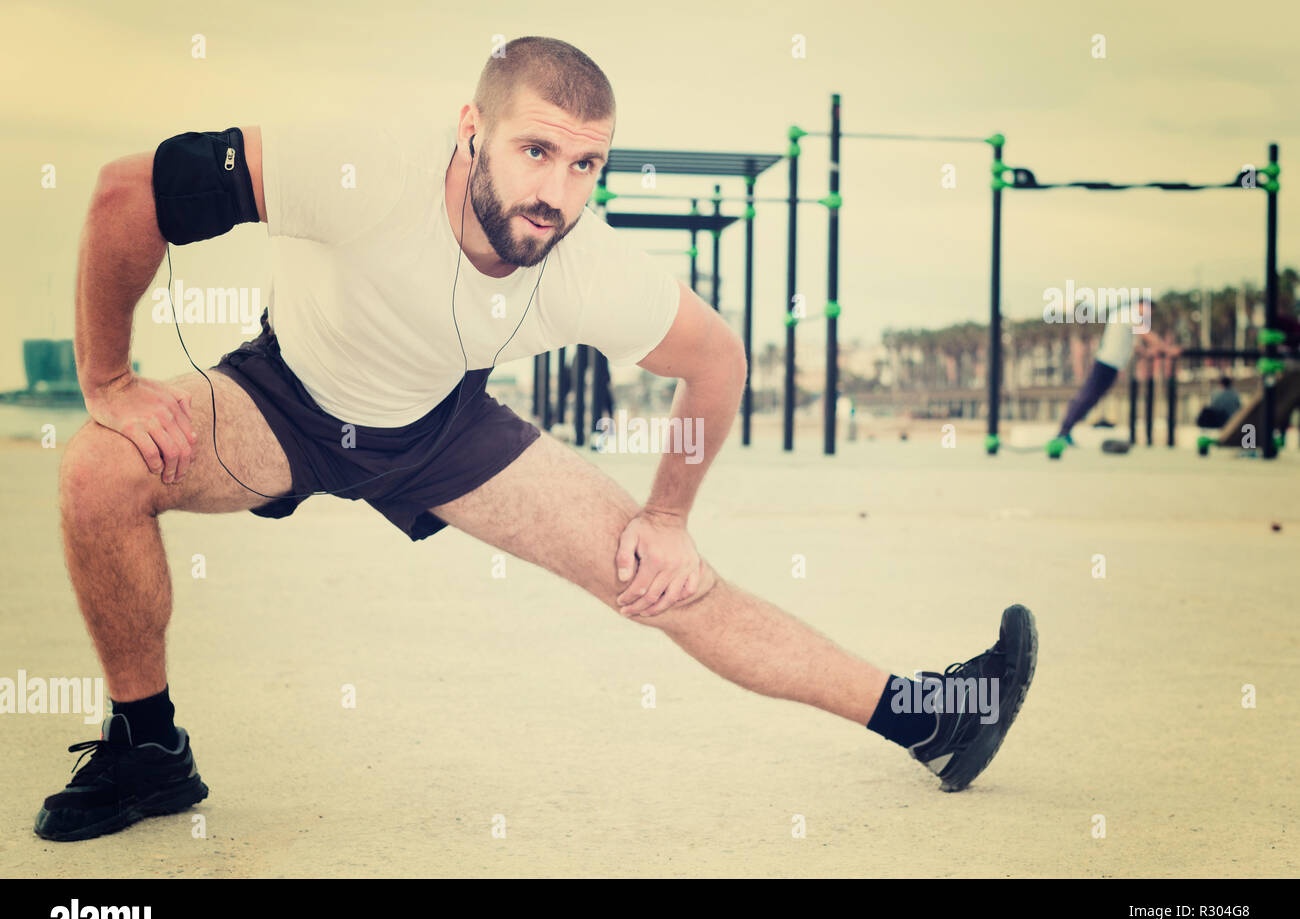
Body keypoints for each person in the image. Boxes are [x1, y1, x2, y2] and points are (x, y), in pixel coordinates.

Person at [37, 36, 1037, 842]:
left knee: (668, 579)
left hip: (443, 428)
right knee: (97, 467)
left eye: (585, 163)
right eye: (535, 151)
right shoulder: (359, 163)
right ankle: (149, 749)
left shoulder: (584, 262)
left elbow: (716, 360)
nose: (556, 191)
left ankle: (935, 719)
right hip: (280, 401)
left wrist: (668, 516)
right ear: (471, 129)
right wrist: (109, 381)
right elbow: (133, 191)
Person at [1054, 297, 1173, 445]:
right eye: (1148, 311)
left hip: (1110, 365)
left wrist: (1148, 353)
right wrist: (1168, 349)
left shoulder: (1127, 317)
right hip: (1106, 364)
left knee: (1090, 398)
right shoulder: (1129, 314)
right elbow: (1147, 335)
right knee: (1087, 397)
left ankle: (1065, 431)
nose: (1148, 315)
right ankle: (1063, 432)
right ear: (1141, 306)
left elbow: (1135, 346)